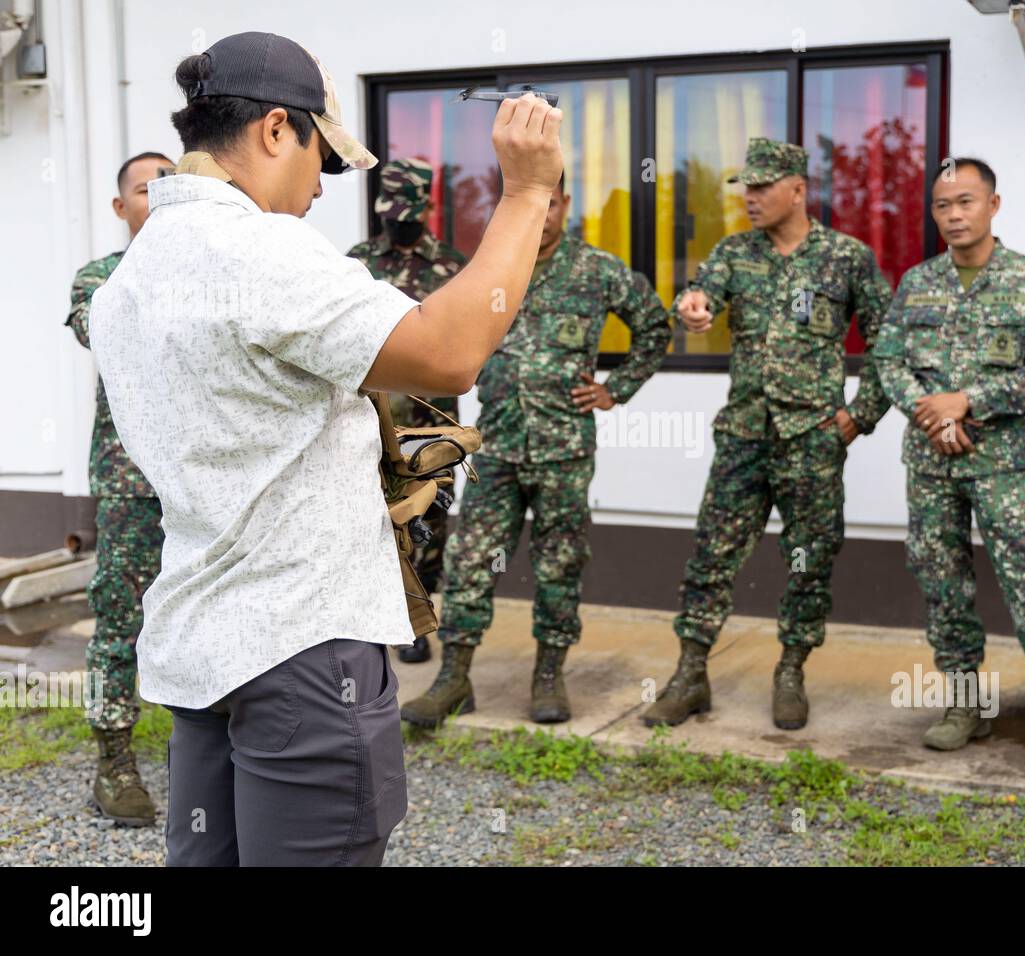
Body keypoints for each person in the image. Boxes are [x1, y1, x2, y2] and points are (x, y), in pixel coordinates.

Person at [89, 31, 562, 865]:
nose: (320, 189)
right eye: (325, 159)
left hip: (205, 646)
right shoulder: (260, 250)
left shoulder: (132, 274)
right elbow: (448, 352)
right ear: (278, 129)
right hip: (305, 650)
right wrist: (526, 193)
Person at [401, 171, 671, 727]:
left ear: (565, 205)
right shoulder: (495, 268)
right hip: (497, 445)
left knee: (559, 565)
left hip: (563, 450)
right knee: (470, 559)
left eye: (552, 204)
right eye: (532, 204)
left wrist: (614, 389)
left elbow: (654, 325)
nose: (542, 215)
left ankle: (549, 674)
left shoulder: (596, 270)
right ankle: (454, 677)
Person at [642, 137, 893, 731]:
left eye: (761, 187)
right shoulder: (734, 253)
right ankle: (691, 672)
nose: (750, 198)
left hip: (812, 440)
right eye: (745, 188)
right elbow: (699, 293)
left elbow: (890, 340)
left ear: (798, 190)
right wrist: (694, 306)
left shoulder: (847, 258)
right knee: (712, 555)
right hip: (745, 438)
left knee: (809, 561)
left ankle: (791, 671)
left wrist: (863, 414)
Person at [874, 158, 1025, 778]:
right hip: (929, 462)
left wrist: (970, 401)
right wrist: (933, 417)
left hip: (998, 462)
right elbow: (888, 361)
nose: (953, 215)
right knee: (943, 584)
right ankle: (964, 704)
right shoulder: (917, 283)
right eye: (943, 205)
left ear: (994, 206)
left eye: (966, 202)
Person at [65, 150, 174, 826]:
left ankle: (219, 751)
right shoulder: (102, 277)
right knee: (122, 621)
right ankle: (114, 764)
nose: (157, 196)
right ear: (120, 207)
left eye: (170, 185)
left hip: (208, 478)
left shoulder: (217, 269)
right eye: (144, 188)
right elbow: (96, 328)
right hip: (133, 480)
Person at [348, 158, 468, 663]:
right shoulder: (356, 259)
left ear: (425, 209)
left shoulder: (450, 265)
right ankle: (388, 616)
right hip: (371, 421)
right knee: (373, 517)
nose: (396, 224)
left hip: (430, 421)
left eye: (405, 216)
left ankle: (420, 613)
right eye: (389, 216)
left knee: (429, 517)